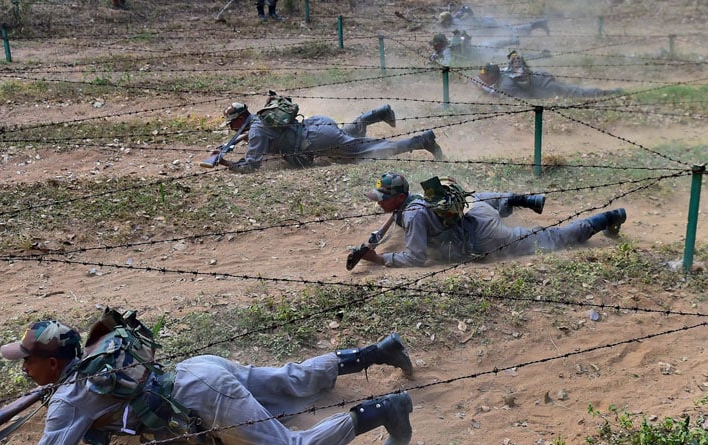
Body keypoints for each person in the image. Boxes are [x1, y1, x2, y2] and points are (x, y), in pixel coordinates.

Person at [0, 318, 416, 445]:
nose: (23, 369)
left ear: (51, 363)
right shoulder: (90, 358)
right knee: (291, 381)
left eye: (28, 362)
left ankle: (381, 411)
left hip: (202, 397)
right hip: (198, 369)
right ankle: (376, 351)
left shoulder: (70, 400)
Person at [353, 172, 628, 268]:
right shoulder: (415, 199)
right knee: (477, 197)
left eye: (382, 197)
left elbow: (415, 258)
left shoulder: (412, 216)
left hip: (485, 236)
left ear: (398, 198)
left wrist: (380, 260)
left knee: (551, 239)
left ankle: (607, 217)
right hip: (478, 208)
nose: (378, 201)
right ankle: (513, 199)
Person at [217, 102, 444, 173]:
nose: (231, 128)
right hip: (317, 124)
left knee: (371, 150)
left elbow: (252, 165)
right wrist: (239, 141)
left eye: (232, 124)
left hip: (317, 139)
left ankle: (422, 141)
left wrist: (228, 164)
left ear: (239, 120)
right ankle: (377, 113)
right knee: (347, 134)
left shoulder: (256, 131)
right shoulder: (259, 119)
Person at [477, 53, 623, 99]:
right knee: (571, 88)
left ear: (491, 77)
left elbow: (523, 99)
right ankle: (603, 91)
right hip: (542, 77)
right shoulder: (501, 74)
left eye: (484, 76)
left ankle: (608, 93)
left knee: (576, 92)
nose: (481, 77)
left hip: (544, 86)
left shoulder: (505, 85)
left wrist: (498, 97)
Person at [437, 6, 549, 37]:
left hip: (489, 26)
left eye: (443, 22)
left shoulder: (457, 24)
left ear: (447, 21)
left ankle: (539, 23)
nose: (442, 24)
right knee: (512, 29)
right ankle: (539, 23)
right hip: (487, 22)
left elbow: (465, 33)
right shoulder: (456, 17)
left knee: (514, 31)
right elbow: (465, 7)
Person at [429, 31, 520, 67]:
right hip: (478, 51)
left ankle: (514, 42)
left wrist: (436, 61)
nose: (434, 46)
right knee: (498, 48)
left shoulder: (447, 51)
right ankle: (514, 42)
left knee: (498, 51)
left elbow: (447, 63)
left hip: (480, 54)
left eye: (436, 45)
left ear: (441, 44)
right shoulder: (447, 45)